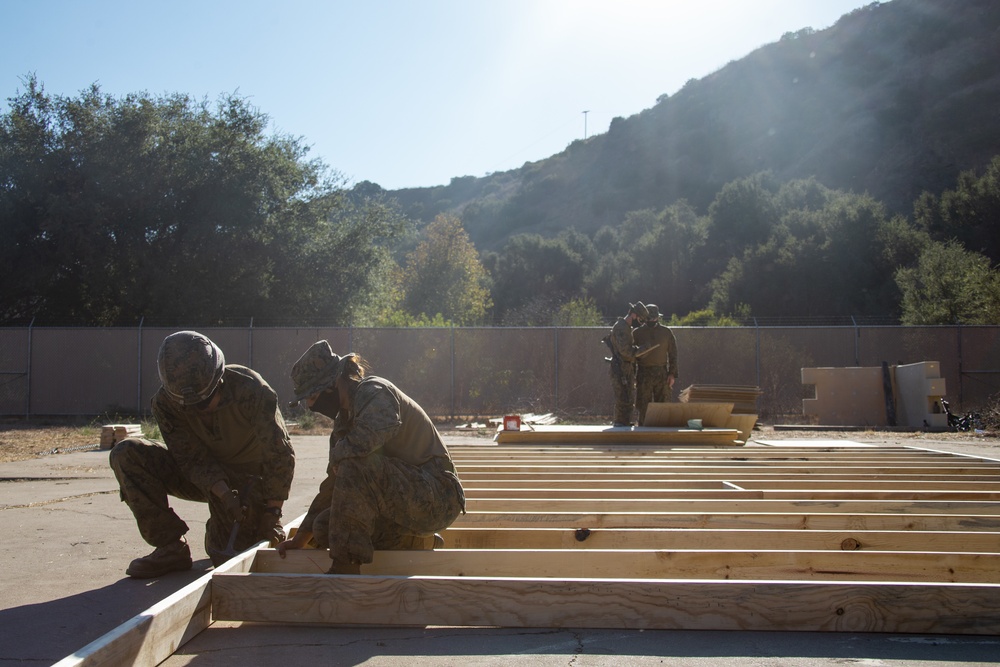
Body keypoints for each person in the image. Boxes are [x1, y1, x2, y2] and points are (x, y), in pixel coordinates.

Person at [109, 330, 294, 578]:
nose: (199, 411)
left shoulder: (251, 390)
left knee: (225, 556)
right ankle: (171, 548)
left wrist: (272, 513)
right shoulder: (166, 404)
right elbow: (189, 458)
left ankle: (235, 525)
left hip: (249, 480)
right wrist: (224, 495)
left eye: (205, 403)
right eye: (190, 407)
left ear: (220, 380)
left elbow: (279, 454)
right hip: (202, 477)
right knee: (127, 453)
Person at [277, 340, 466, 574]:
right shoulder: (343, 425)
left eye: (312, 397)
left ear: (332, 384)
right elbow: (332, 487)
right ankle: (418, 543)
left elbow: (369, 439)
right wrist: (300, 539)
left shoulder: (375, 391)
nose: (310, 405)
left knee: (354, 464)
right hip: (403, 501)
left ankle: (345, 570)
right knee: (325, 527)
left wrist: (339, 456)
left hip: (438, 495)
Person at [603, 302, 649, 426]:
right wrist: (642, 349)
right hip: (620, 367)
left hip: (626, 366)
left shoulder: (626, 327)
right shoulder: (621, 327)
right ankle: (620, 423)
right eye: (639, 320)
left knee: (628, 396)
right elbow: (625, 351)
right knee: (622, 396)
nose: (639, 323)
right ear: (634, 315)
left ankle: (624, 422)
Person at [633, 304, 679, 426]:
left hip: (662, 373)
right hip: (643, 373)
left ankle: (662, 432)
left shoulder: (666, 332)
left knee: (663, 405)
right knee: (643, 405)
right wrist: (632, 375)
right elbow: (632, 356)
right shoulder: (637, 333)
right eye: (649, 318)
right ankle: (643, 433)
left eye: (653, 318)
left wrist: (672, 374)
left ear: (658, 318)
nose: (651, 321)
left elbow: (673, 353)